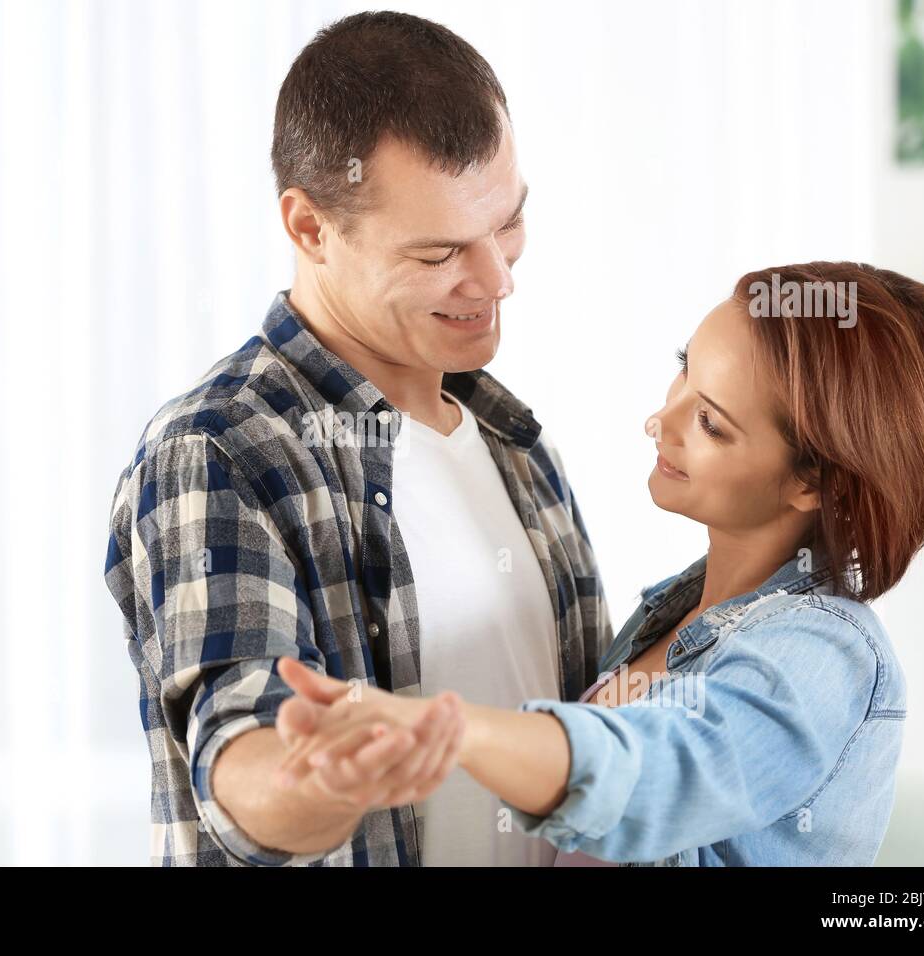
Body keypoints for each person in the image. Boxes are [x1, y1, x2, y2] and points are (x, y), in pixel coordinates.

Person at [274, 261, 924, 865]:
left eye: (711, 422)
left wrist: (453, 730)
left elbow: (664, 773)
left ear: (810, 483)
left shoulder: (825, 655)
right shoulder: (671, 615)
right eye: (684, 371)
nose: (661, 421)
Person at [103, 11, 614, 866]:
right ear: (309, 227)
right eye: (440, 250)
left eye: (507, 224)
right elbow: (243, 757)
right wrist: (328, 777)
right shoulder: (220, 449)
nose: (498, 279)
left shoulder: (516, 443)